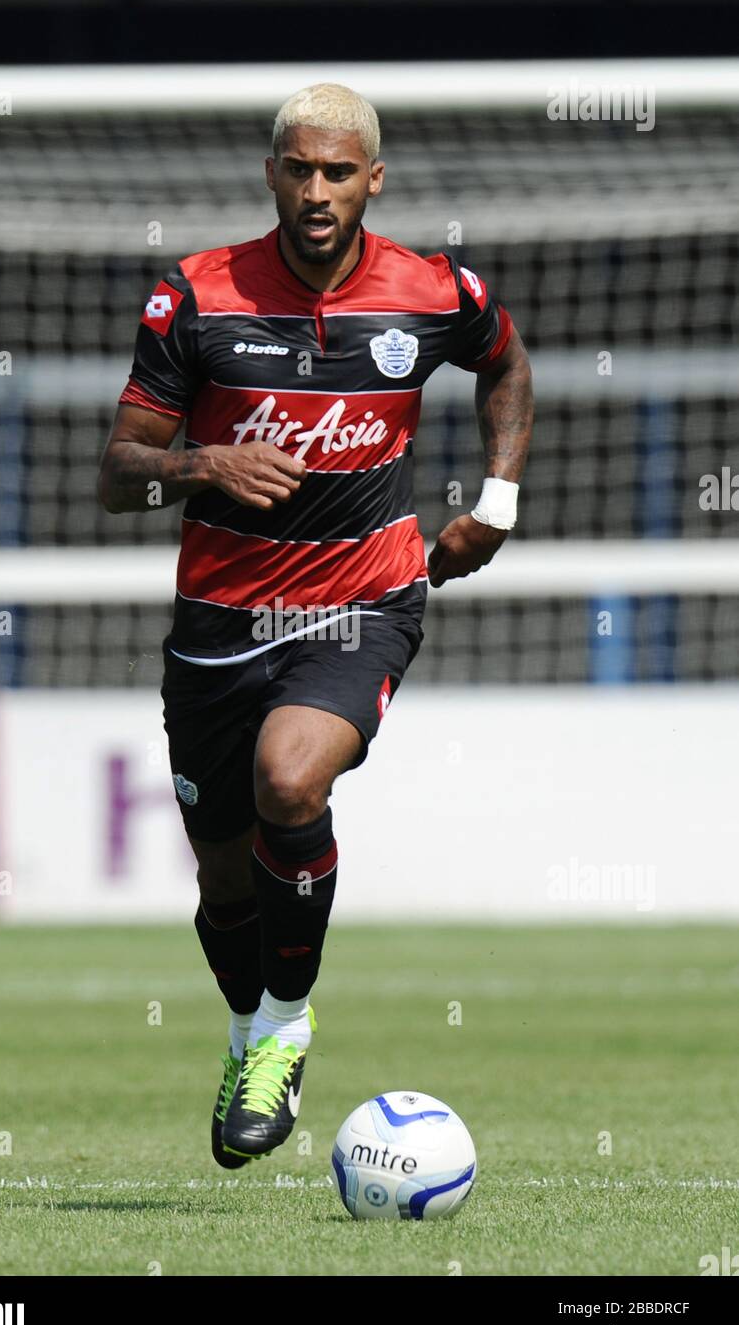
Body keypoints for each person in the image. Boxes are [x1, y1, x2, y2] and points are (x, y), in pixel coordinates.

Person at [97, 82, 534, 1166]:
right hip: (217, 623)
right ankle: (250, 1029)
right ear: (271, 176)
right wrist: (202, 461)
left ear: (371, 180)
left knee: (290, 781)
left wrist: (497, 501)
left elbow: (506, 365)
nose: (317, 190)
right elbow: (117, 475)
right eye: (298, 169)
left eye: (338, 172)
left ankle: (287, 1027)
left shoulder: (429, 293)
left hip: (361, 598)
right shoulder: (193, 298)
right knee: (223, 875)